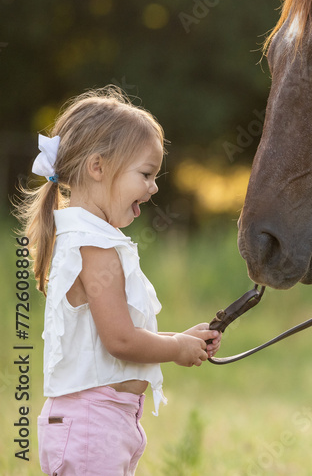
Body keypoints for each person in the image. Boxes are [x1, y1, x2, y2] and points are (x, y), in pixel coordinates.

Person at [15, 86, 221, 476]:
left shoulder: (91, 240)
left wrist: (182, 338)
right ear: (98, 167)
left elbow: (112, 335)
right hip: (92, 423)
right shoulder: (94, 247)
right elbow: (120, 341)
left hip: (103, 421)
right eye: (145, 174)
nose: (154, 187)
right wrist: (176, 348)